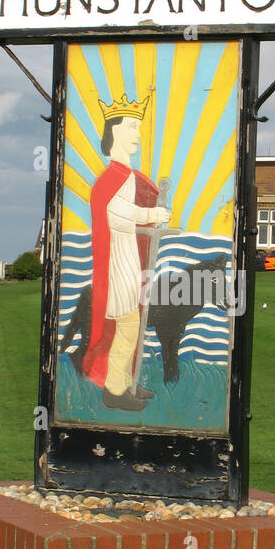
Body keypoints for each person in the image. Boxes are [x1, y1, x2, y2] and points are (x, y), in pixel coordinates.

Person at [81, 97, 170, 410]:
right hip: (116, 262)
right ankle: (115, 390)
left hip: (127, 257)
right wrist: (150, 215)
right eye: (132, 126)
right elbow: (114, 214)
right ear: (114, 130)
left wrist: (152, 215)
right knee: (128, 325)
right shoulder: (109, 179)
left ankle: (125, 382)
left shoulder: (126, 175)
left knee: (132, 324)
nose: (138, 134)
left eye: (139, 128)